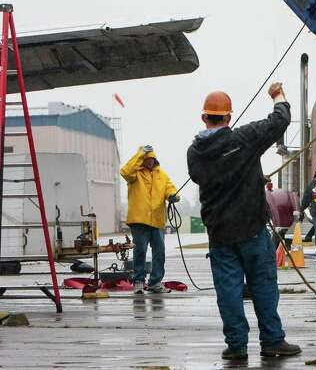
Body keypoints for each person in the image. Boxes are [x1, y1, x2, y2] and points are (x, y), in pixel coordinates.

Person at [187, 84, 301, 361]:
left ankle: (236, 346)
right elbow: (281, 119)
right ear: (228, 118)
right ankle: (273, 340)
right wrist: (278, 96)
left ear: (204, 118)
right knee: (262, 285)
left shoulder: (194, 153)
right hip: (251, 230)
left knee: (228, 291)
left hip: (220, 234)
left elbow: (212, 178)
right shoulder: (244, 138)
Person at [119, 145, 178, 294]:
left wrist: (173, 195)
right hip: (139, 220)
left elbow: (170, 188)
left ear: (155, 160)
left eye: (151, 159)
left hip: (157, 221)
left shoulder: (162, 175)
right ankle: (138, 281)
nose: (149, 161)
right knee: (140, 252)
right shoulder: (134, 174)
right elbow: (124, 171)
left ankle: (155, 282)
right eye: (146, 159)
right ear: (142, 160)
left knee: (160, 252)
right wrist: (140, 153)